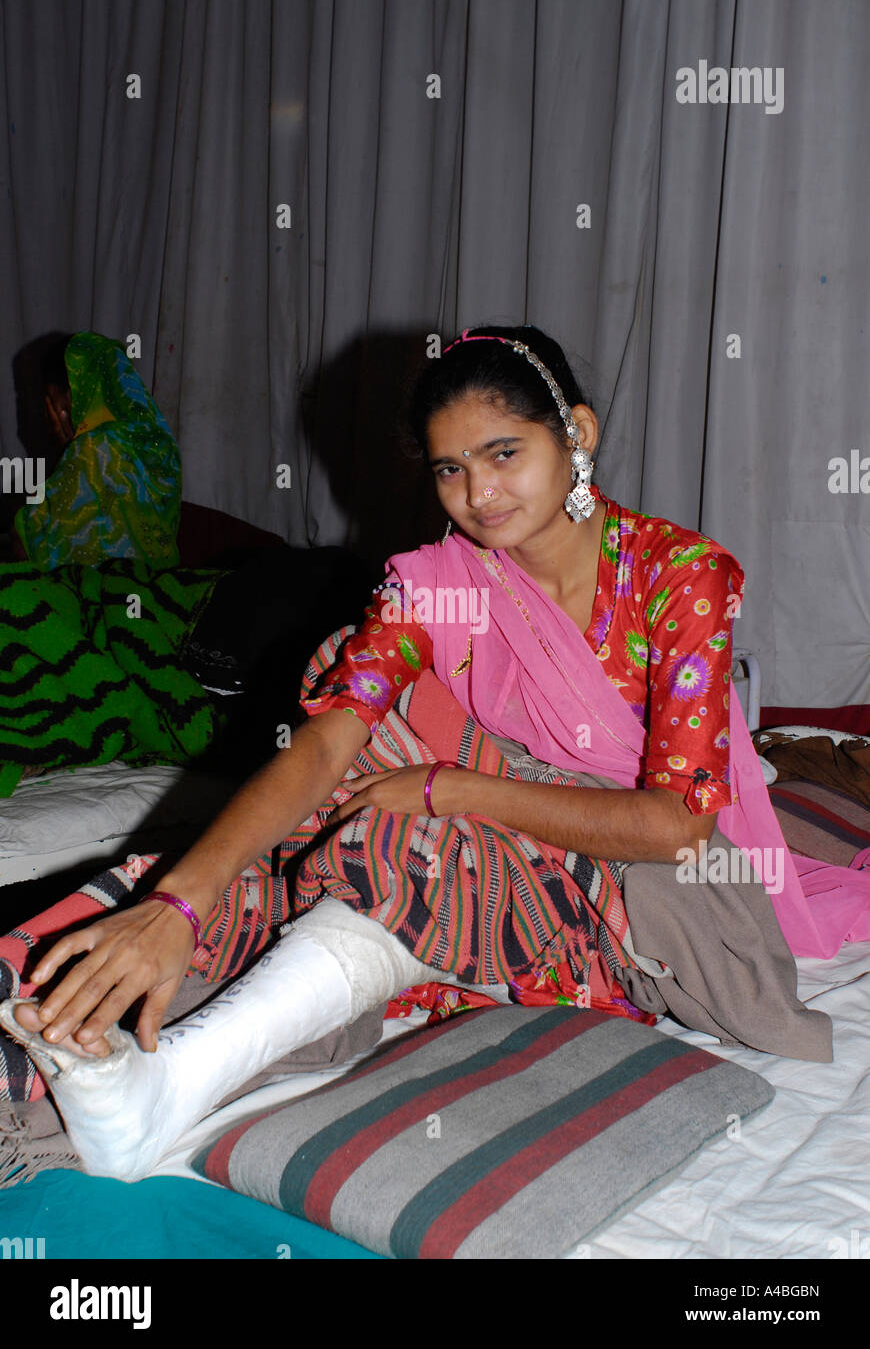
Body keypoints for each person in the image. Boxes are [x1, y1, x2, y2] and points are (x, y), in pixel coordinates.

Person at [2, 323, 868, 1183]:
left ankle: (176, 1080)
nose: (478, 493)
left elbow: (677, 827)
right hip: (498, 829)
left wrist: (452, 788)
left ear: (580, 433)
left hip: (646, 881)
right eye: (450, 468)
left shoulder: (679, 577)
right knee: (348, 742)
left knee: (398, 828)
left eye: (503, 453)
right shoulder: (438, 585)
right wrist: (180, 903)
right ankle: (109, 981)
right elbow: (328, 741)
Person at [12, 331, 181, 569]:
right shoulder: (159, 449)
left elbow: (26, 544)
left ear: (64, 404)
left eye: (52, 401)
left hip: (104, 598)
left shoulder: (94, 450)